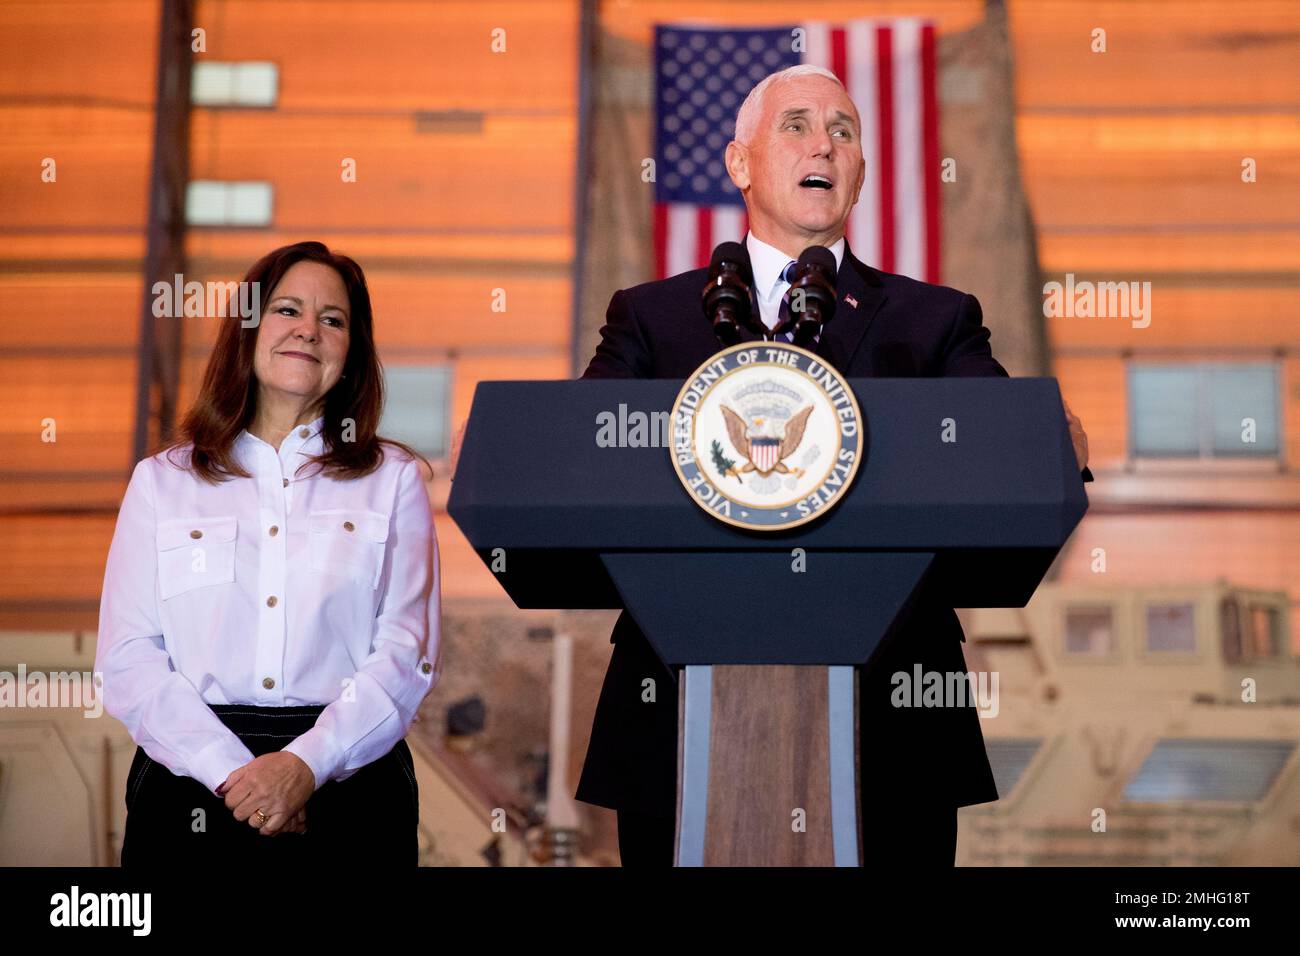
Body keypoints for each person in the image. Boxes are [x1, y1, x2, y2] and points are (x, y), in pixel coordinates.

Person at [574, 64, 1093, 866]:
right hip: (680, 707)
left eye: (844, 131)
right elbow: (581, 460)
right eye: (798, 125)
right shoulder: (651, 316)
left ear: (859, 177)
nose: (825, 142)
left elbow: (1003, 455)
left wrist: (1048, 445)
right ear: (739, 163)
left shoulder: (935, 321)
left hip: (891, 715)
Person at [96, 240, 441, 866]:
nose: (308, 330)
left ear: (351, 351)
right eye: (286, 310)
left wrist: (306, 765)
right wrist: (234, 773)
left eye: (332, 320)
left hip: (351, 778)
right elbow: (128, 658)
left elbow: (406, 653)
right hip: (193, 781)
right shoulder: (163, 480)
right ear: (246, 332)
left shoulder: (393, 479)